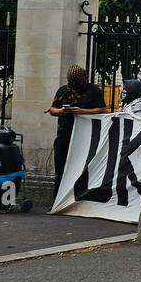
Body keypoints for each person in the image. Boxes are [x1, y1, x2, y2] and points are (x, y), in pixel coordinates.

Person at [47, 65, 106, 196]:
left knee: (82, 169)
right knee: (60, 168)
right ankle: (57, 198)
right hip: (64, 134)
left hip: (85, 135)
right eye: (72, 82)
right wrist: (62, 111)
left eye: (78, 82)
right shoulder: (63, 91)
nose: (75, 85)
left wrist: (82, 111)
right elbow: (52, 109)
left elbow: (102, 110)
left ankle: (81, 197)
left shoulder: (93, 90)